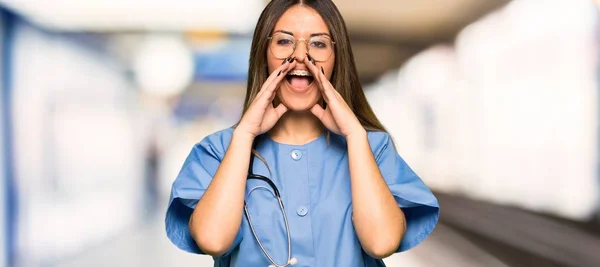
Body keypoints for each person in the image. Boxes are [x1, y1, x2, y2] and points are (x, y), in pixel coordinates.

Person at [165, 0, 439, 266]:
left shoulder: (372, 148)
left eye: (318, 43)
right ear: (264, 52)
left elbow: (381, 243)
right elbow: (213, 240)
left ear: (336, 57)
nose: (300, 56)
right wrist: (245, 134)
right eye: (284, 41)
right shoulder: (219, 150)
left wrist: (355, 135)